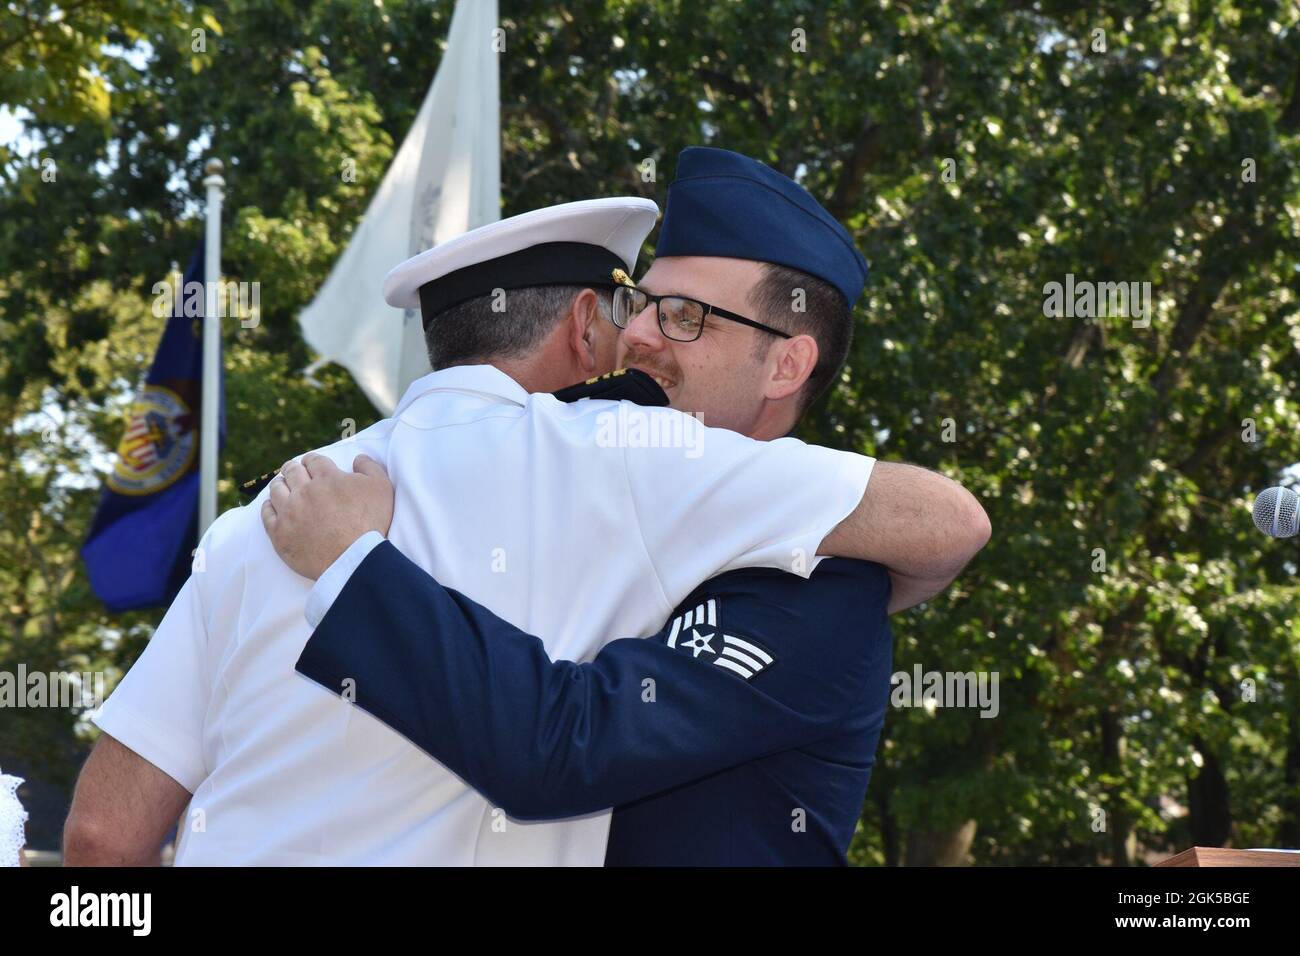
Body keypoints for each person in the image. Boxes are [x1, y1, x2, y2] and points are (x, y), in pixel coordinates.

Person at [64, 189, 986, 866]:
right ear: (589, 325)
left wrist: (357, 562)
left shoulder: (261, 518)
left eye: (683, 316)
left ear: (788, 364)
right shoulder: (633, 462)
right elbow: (948, 519)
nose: (646, 339)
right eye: (640, 309)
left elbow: (103, 837)